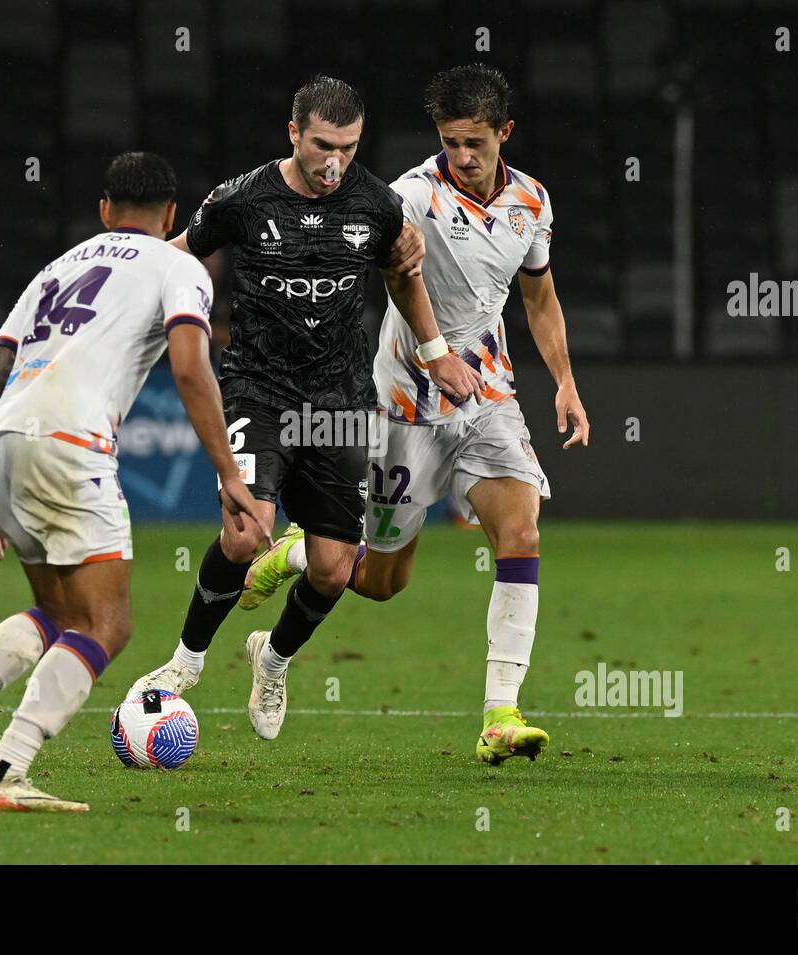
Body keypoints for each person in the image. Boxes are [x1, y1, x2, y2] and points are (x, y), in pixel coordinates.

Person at [243, 65, 591, 764]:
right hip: (402, 407)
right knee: (377, 581)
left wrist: (565, 382)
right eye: (451, 141)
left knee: (521, 531)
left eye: (476, 142)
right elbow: (394, 278)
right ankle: (296, 565)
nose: (462, 154)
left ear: (504, 134)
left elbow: (540, 298)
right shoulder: (411, 196)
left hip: (488, 399)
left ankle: (500, 714)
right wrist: (433, 357)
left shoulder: (532, 202)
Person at [0, 152, 268, 811]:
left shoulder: (55, 269)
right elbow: (191, 367)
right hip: (73, 443)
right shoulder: (178, 265)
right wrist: (229, 472)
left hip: (6, 437)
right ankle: (6, 772)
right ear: (170, 216)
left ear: (104, 211)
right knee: (108, 623)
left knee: (58, 614)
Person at [127, 75, 483, 740]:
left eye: (348, 147)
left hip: (340, 401)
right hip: (258, 390)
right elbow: (179, 257)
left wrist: (436, 353)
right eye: (322, 144)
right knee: (245, 531)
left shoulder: (377, 206)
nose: (333, 162)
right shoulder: (239, 199)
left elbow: (403, 279)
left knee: (334, 567)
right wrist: (119, 275)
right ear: (294, 133)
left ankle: (275, 658)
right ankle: (185, 662)